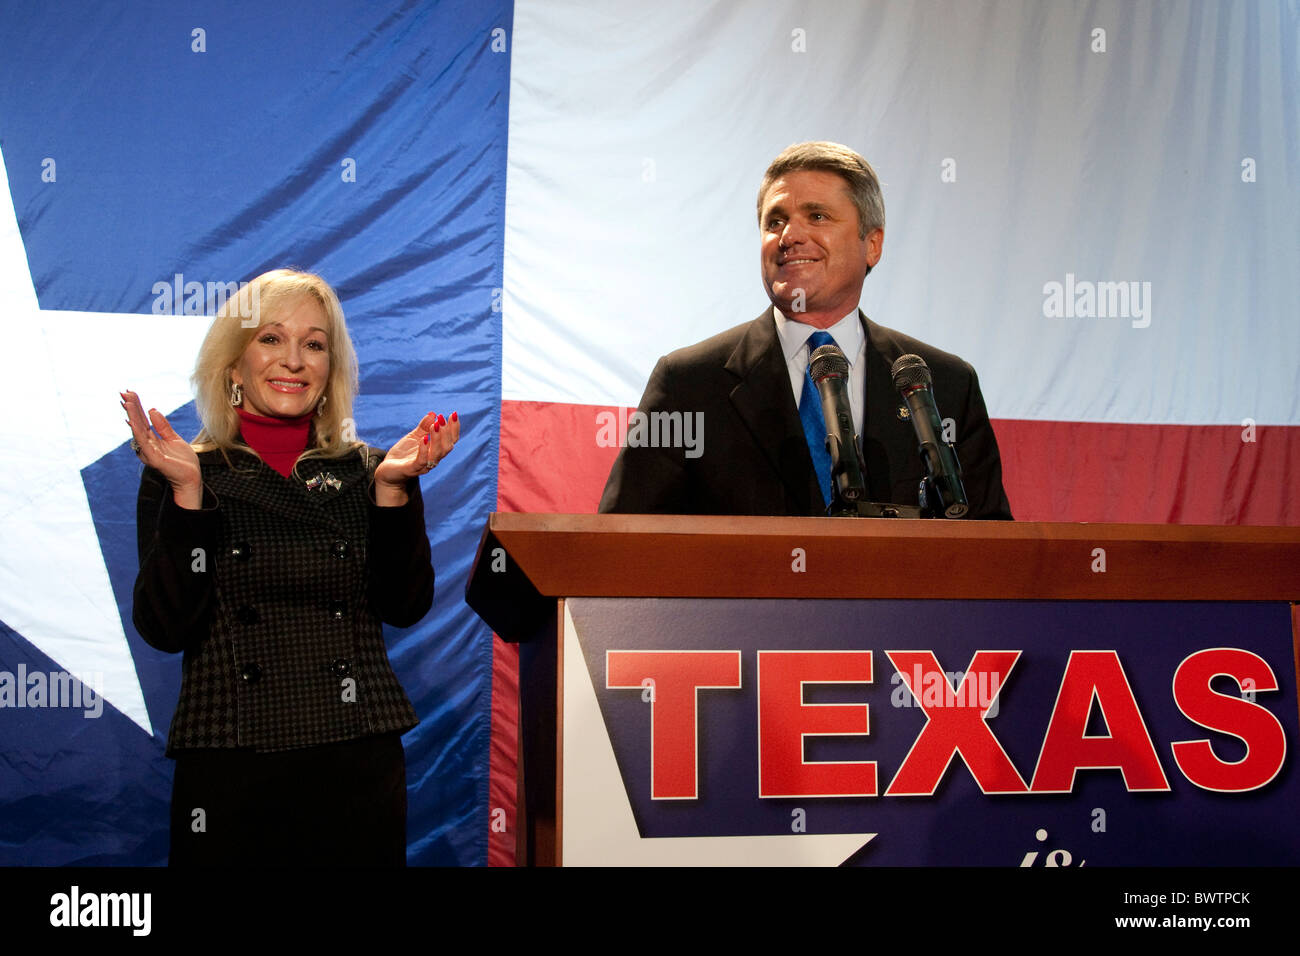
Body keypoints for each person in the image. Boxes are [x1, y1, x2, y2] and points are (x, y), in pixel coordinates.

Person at [124, 268, 459, 865]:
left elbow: (405, 608)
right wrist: (187, 498)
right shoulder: (185, 472)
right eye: (271, 339)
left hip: (356, 760)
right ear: (233, 364)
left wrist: (392, 494)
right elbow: (163, 629)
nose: (294, 360)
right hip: (230, 762)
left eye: (314, 344)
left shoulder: (373, 471)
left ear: (330, 370)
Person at [599, 141, 1012, 519]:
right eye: (774, 222)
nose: (790, 236)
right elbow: (620, 544)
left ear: (872, 244)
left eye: (817, 216)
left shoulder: (946, 384)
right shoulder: (687, 384)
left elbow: (993, 555)